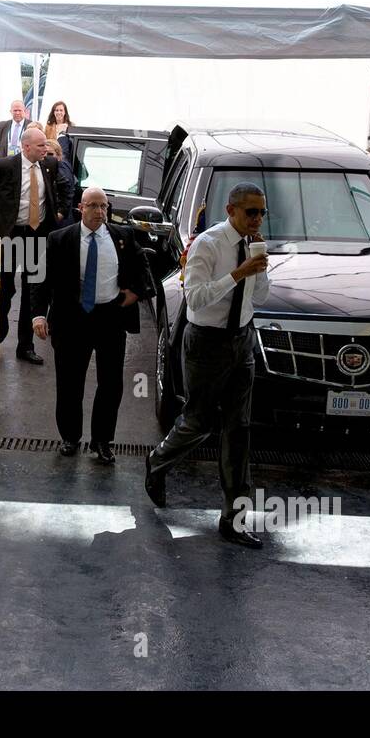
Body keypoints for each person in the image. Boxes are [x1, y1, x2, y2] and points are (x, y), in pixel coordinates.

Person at [144, 182, 271, 549]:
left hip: (242, 340)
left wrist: (259, 271)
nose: (257, 219)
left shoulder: (254, 245)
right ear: (231, 210)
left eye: (262, 212)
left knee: (239, 429)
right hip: (206, 343)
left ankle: (234, 518)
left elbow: (260, 297)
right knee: (198, 421)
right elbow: (196, 298)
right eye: (251, 212)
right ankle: (157, 461)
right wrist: (239, 273)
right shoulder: (208, 244)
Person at [31, 187, 155, 463]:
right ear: (81, 208)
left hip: (110, 317)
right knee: (69, 383)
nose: (100, 212)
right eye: (94, 206)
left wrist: (137, 292)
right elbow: (42, 279)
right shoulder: (60, 239)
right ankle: (70, 437)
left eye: (104, 207)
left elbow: (143, 266)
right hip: (72, 320)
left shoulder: (122, 236)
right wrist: (38, 315)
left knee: (111, 384)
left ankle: (102, 441)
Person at [0, 127, 62, 363]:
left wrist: (59, 213)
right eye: (40, 146)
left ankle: (25, 346)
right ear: (26, 147)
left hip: (37, 235)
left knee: (34, 290)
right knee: (5, 288)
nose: (45, 149)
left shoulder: (50, 165)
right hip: (10, 234)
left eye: (46, 146)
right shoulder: (5, 166)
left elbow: (59, 189)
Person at [44, 139, 76, 226]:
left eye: (50, 154)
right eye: (44, 154)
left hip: (60, 223)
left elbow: (68, 193)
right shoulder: (49, 168)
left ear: (59, 156)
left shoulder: (61, 170)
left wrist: (60, 214)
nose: (47, 157)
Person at [45, 100, 76, 166]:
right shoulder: (48, 127)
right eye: (57, 110)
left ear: (65, 112)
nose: (59, 112)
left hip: (66, 159)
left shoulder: (71, 126)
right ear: (53, 112)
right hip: (52, 159)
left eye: (61, 110)